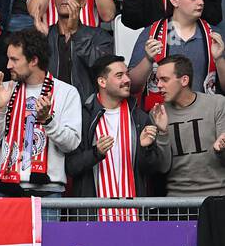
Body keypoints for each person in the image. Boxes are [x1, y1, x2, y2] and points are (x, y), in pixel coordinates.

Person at [0, 27, 84, 195]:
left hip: (48, 192)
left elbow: (71, 144)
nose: (8, 65)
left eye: (14, 60)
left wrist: (48, 121)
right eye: (8, 59)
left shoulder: (66, 92)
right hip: (5, 189)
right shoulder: (4, 89)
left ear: (34, 60)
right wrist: (0, 110)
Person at [66, 54, 171, 215]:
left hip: (133, 217)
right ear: (102, 82)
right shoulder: (84, 117)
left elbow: (153, 170)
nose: (127, 80)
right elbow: (71, 166)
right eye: (119, 75)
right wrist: (96, 153)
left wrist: (146, 148)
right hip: (93, 218)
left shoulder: (139, 117)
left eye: (127, 74)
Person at [130, 0, 225, 102]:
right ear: (174, 1)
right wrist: (147, 60)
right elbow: (132, 86)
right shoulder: (151, 34)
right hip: (162, 116)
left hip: (205, 116)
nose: (201, 2)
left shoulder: (215, 36)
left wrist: (219, 59)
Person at [155, 53, 225, 195]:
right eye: (157, 80)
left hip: (217, 196)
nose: (158, 85)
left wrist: (220, 150)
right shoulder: (158, 113)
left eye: (164, 80)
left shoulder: (217, 104)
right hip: (177, 200)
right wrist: (162, 133)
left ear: (184, 80)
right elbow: (161, 168)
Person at [45, 0, 115, 102]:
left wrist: (75, 33)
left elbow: (103, 70)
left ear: (83, 2)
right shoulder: (44, 36)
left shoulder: (99, 36)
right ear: (55, 0)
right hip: (49, 109)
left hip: (86, 111)